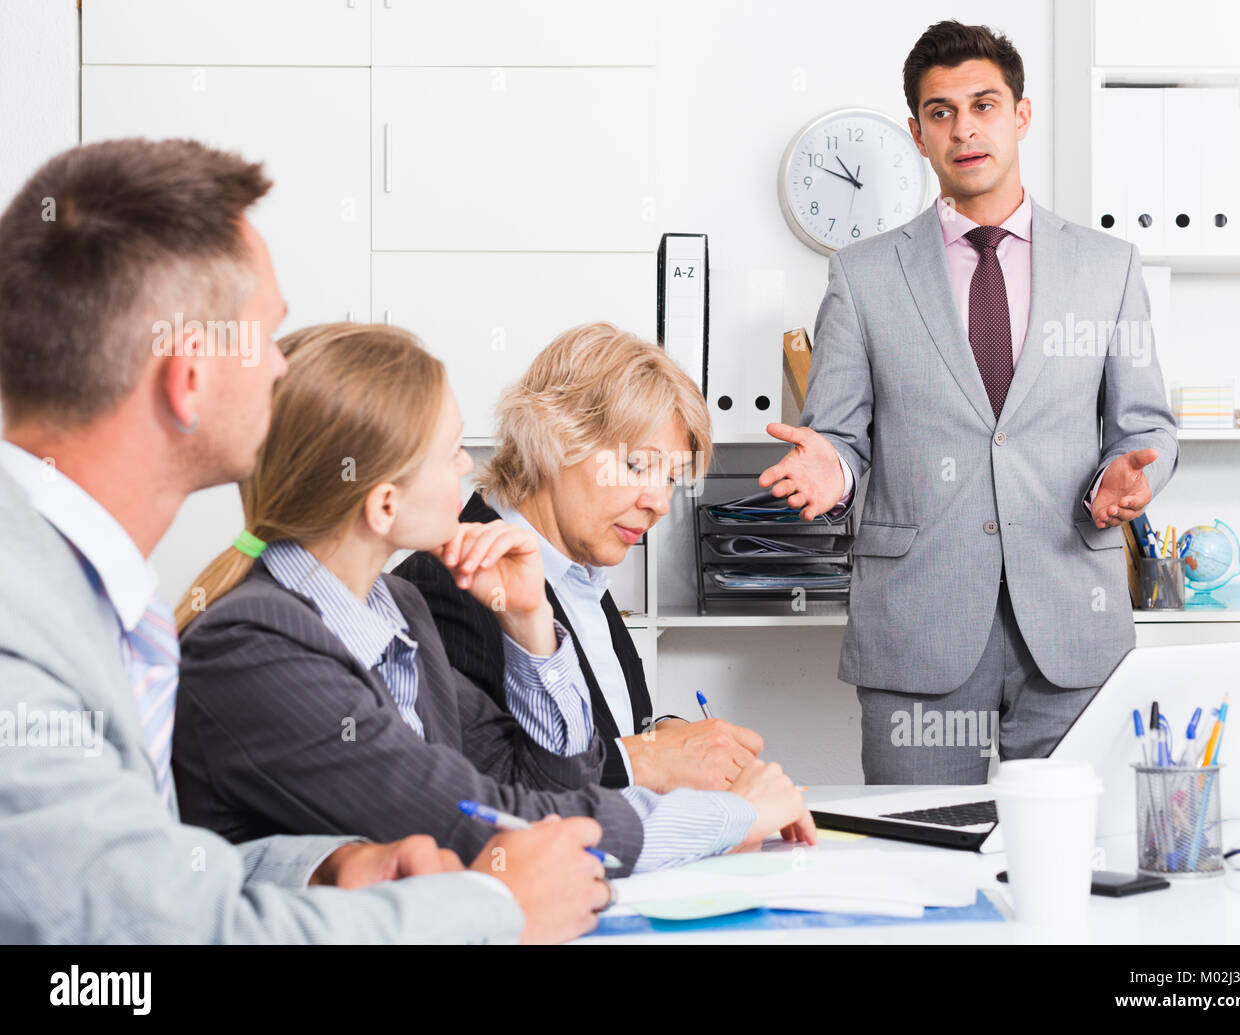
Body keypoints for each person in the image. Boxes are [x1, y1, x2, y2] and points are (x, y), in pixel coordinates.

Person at [0, 137, 611, 944]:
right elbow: (126, 957)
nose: (285, 375)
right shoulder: (21, 629)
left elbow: (112, 889)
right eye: (266, 340)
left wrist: (316, 868)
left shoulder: (75, 587)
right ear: (189, 380)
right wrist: (494, 911)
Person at [173, 321, 815, 873]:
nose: (465, 468)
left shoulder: (399, 611)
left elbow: (549, 783)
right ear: (383, 499)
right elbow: (482, 826)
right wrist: (732, 816)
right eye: (448, 450)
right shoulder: (253, 644)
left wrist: (532, 623)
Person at [758, 20, 1178, 783]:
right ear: (918, 136)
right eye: (941, 112)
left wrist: (1128, 473)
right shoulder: (863, 276)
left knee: (1075, 865)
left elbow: (1144, 423)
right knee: (918, 866)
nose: (965, 128)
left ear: (1020, 115)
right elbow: (839, 438)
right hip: (918, 623)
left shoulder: (1108, 268)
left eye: (984, 104)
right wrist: (836, 474)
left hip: (1071, 620)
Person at [396, 323, 764, 793]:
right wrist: (650, 756)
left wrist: (667, 734)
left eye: (671, 477)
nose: (661, 502)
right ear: (552, 440)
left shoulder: (582, 570)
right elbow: (477, 782)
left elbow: (605, 736)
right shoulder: (450, 580)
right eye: (637, 466)